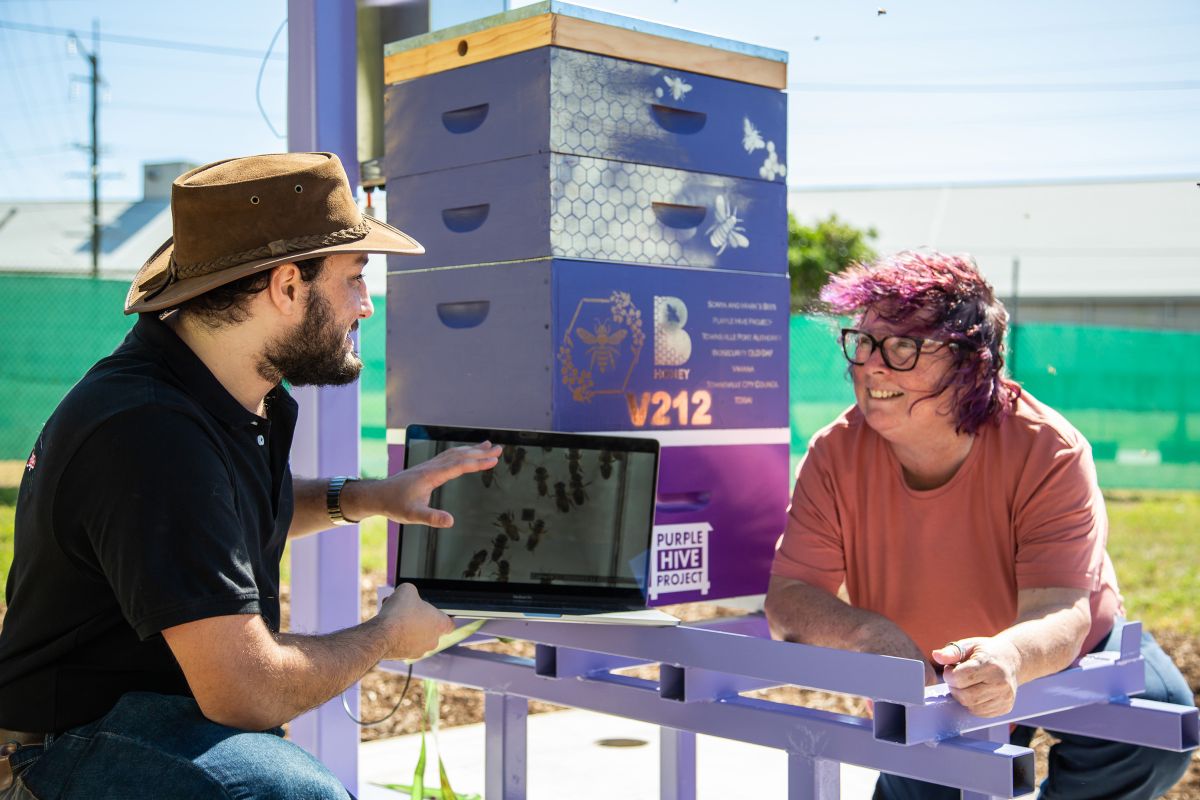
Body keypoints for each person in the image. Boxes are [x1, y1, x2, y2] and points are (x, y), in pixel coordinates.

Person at [0, 152, 501, 799]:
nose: (366, 306)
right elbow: (247, 691)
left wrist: (370, 497)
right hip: (67, 748)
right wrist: (385, 636)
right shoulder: (151, 429)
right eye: (355, 277)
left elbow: (216, 517)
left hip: (142, 723)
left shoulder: (220, 396)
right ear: (287, 286)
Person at [764, 251, 1194, 800]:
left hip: (1061, 650)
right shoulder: (834, 454)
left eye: (903, 346)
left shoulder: (1049, 450)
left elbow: (1060, 610)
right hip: (934, 675)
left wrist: (1009, 658)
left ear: (971, 364)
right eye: (864, 341)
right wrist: (867, 635)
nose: (871, 364)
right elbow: (791, 597)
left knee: (1152, 728)